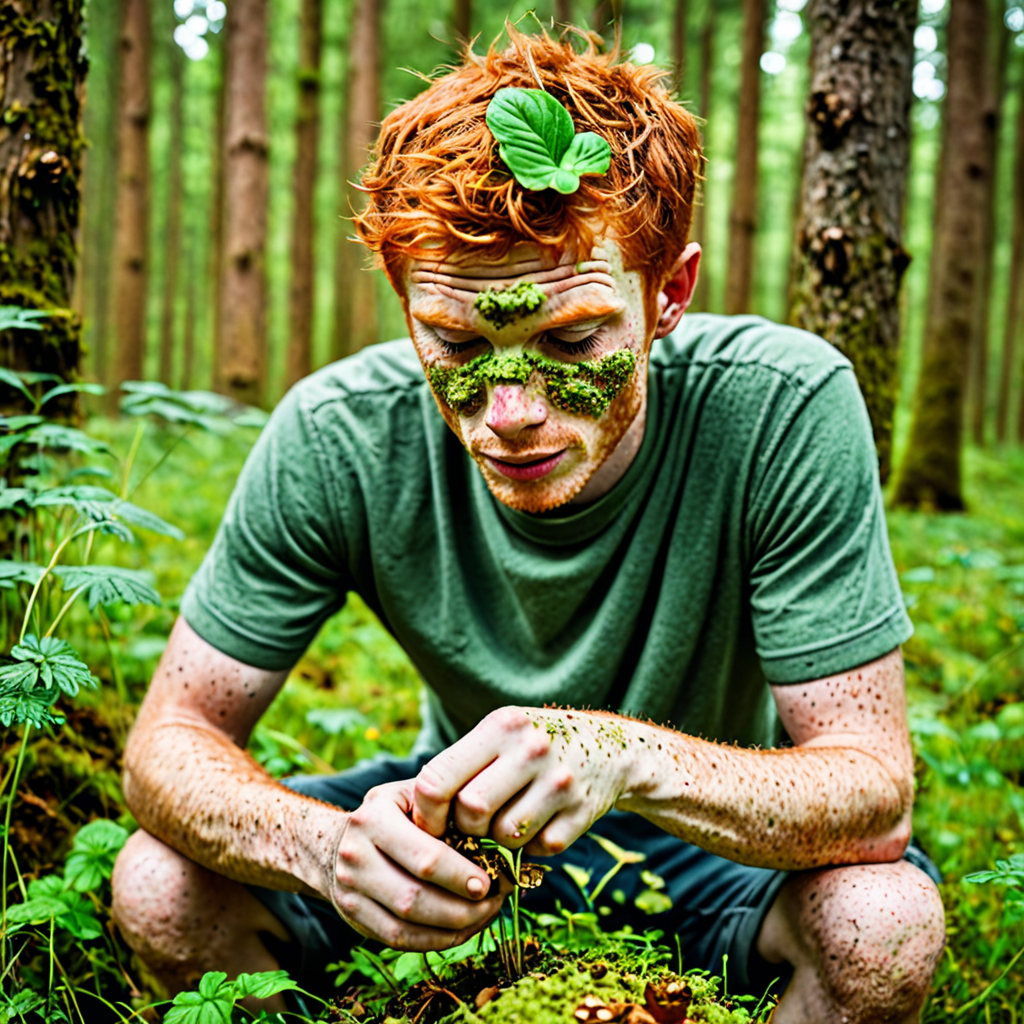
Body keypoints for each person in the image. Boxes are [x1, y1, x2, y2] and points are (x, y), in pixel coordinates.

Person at [111, 28, 946, 1023]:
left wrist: (622, 757)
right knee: (156, 884)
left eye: (572, 338)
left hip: (717, 841)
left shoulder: (781, 405)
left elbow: (871, 789)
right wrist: (324, 850)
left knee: (881, 921)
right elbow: (167, 741)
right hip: (455, 838)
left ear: (665, 293)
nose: (509, 412)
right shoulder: (338, 432)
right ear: (405, 303)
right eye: (458, 341)